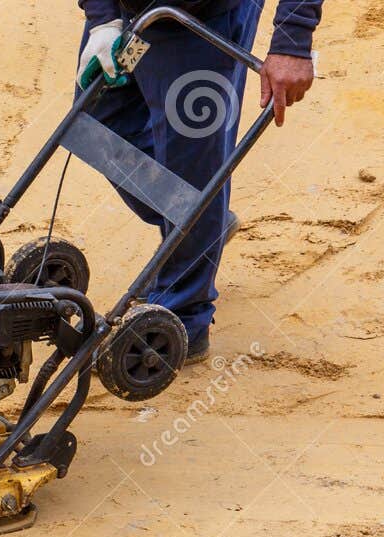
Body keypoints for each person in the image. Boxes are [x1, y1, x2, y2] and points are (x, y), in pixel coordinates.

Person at [76, 1, 320, 357]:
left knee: (191, 163)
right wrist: (103, 19)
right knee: (96, 123)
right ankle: (204, 228)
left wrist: (292, 40)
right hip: (129, 14)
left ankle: (182, 316)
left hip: (206, 19)